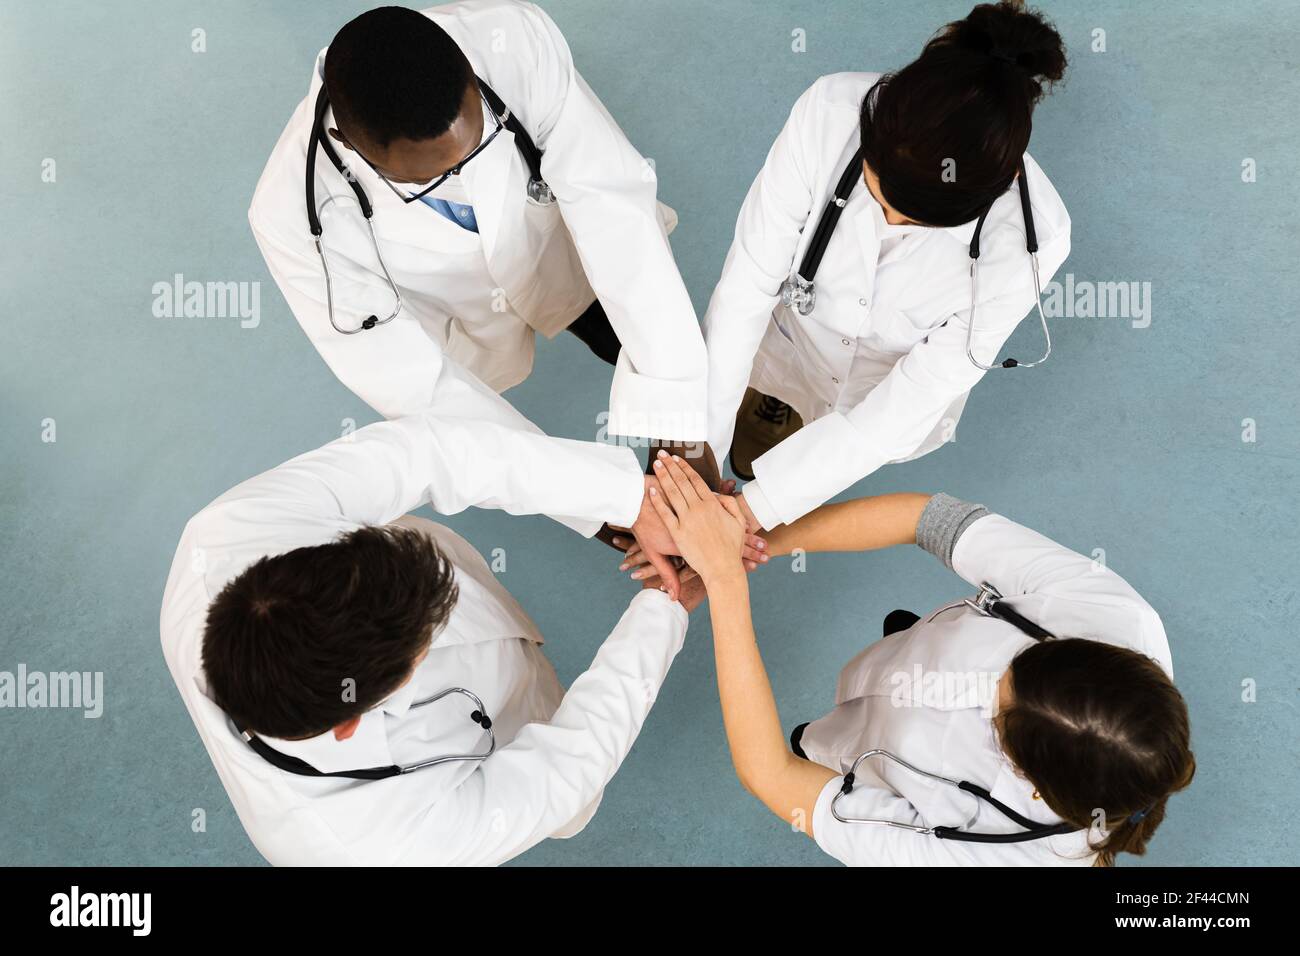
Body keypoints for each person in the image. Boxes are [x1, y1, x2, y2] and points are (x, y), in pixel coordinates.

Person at [158, 359, 756, 866]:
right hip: (494, 741)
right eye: (426, 637)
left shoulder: (227, 535)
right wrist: (665, 606)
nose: (442, 613)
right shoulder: (384, 846)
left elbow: (427, 450)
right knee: (569, 807)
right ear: (349, 722)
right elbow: (570, 762)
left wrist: (627, 501)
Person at [630, 452, 1195, 866]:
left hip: (860, 752)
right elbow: (928, 520)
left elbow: (772, 774)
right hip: (902, 656)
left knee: (811, 745)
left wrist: (727, 582)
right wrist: (751, 543)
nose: (984, 683)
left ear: (1031, 780)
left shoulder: (995, 856)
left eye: (995, 710)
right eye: (1017, 661)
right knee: (882, 664)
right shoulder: (1123, 620)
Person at [249, 2, 713, 464]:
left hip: (555, 247)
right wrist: (601, 502)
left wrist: (680, 421)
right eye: (426, 180)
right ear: (351, 147)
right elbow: (412, 384)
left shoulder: (513, 41)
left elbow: (616, 219)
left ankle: (745, 393)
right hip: (466, 320)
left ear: (471, 72)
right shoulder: (291, 213)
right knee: (479, 409)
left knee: (639, 333)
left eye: (476, 145)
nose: (460, 177)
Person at [704, 1, 1072, 533]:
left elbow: (911, 399)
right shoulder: (829, 114)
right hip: (788, 345)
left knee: (797, 472)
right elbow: (746, 286)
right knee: (748, 440)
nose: (889, 219)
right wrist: (695, 458)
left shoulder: (1031, 243)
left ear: (1006, 179)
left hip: (877, 389)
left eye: (915, 221)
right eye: (878, 194)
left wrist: (750, 513)